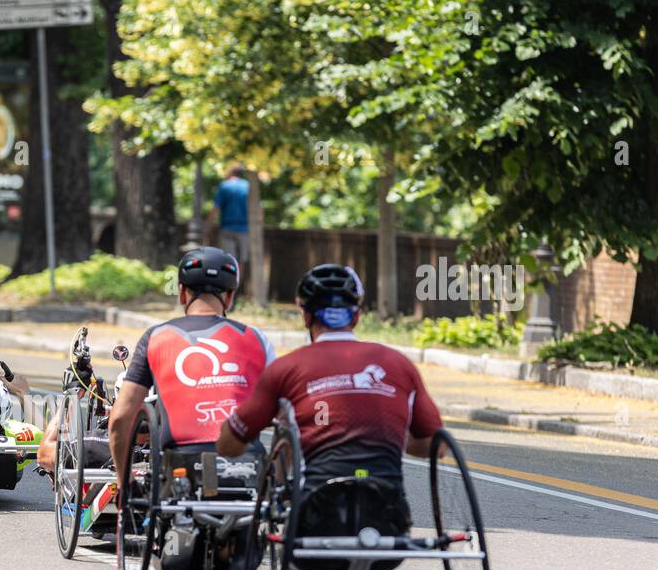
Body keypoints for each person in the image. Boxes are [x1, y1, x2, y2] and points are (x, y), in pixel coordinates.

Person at [216, 263, 442, 492]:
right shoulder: (398, 363)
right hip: (387, 502)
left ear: (305, 316)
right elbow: (437, 445)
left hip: (318, 504)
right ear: (356, 317)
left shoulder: (286, 368)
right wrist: (390, 436)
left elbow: (228, 444)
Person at [108, 245, 276, 487]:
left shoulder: (156, 337)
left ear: (181, 293)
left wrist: (124, 483)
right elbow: (286, 412)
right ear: (229, 297)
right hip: (248, 463)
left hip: (180, 465)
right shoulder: (257, 338)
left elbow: (121, 417)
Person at [207, 166, 250, 292]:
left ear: (230, 172)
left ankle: (228, 288)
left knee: (229, 261)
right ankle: (236, 290)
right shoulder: (248, 186)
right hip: (245, 228)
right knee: (242, 260)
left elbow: (216, 208)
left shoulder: (225, 186)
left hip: (227, 228)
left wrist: (207, 225)